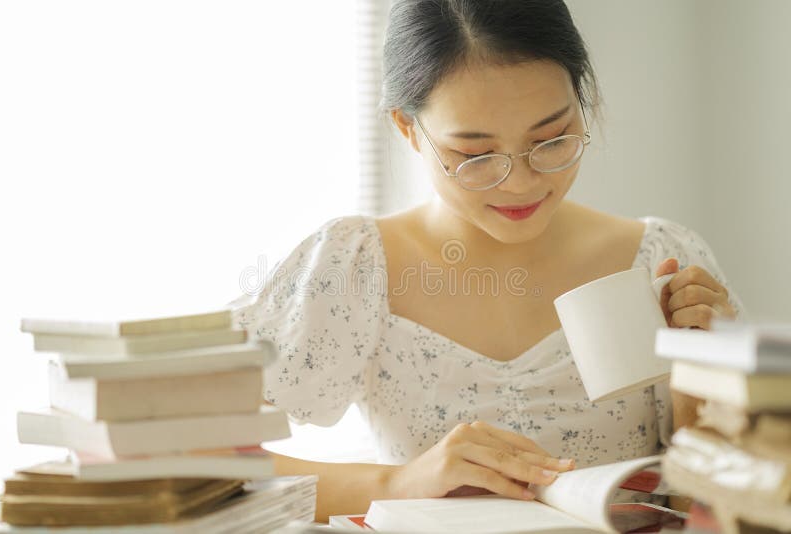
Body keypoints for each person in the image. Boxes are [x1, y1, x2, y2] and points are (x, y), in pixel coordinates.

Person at [227, 0, 748, 523]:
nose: (521, 182)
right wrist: (400, 482)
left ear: (583, 101)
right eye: (475, 155)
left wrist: (699, 392)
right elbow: (200, 466)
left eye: (551, 139)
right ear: (408, 129)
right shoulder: (355, 268)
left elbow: (730, 507)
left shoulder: (662, 260)